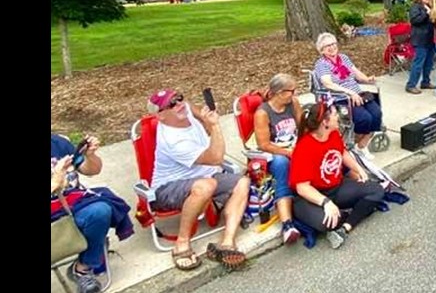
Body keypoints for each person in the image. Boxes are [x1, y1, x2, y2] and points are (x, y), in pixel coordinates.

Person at [147, 90, 252, 272]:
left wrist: (203, 115)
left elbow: (190, 106)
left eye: (179, 98)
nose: (179, 104)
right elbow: (216, 158)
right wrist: (214, 126)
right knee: (206, 185)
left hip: (205, 177)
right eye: (171, 104)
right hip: (168, 188)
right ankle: (182, 243)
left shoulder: (184, 110)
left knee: (242, 182)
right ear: (160, 116)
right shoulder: (173, 140)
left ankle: (227, 243)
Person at [287, 100, 389, 249]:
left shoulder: (333, 134)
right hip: (310, 196)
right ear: (325, 122)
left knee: (376, 190)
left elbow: (342, 152)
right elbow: (303, 188)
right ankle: (349, 213)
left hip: (336, 187)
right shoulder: (304, 148)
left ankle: (345, 227)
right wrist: (325, 203)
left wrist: (359, 170)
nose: (338, 117)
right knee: (325, 223)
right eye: (335, 114)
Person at [50, 132, 137, 293]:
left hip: (71, 204)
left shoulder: (57, 142)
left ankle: (83, 268)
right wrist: (55, 181)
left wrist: (90, 156)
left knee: (100, 210)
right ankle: (95, 246)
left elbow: (93, 170)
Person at [312, 32, 384, 149]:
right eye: (327, 46)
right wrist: (349, 93)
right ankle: (357, 143)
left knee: (376, 113)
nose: (332, 47)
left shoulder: (344, 58)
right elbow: (327, 83)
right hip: (341, 98)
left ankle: (364, 141)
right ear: (321, 50)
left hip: (358, 94)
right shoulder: (321, 64)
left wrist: (367, 79)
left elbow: (356, 73)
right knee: (364, 118)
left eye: (333, 44)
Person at [250, 74, 302, 226]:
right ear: (279, 93)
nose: (294, 94)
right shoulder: (262, 113)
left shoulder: (294, 103)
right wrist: (288, 152)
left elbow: (302, 126)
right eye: (291, 91)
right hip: (275, 150)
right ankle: (286, 221)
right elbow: (264, 144)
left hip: (293, 144)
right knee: (281, 163)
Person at [405, 0, 436, 94]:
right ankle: (411, 84)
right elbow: (415, 20)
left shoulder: (429, 6)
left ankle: (425, 81)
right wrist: (426, 13)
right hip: (420, 39)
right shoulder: (415, 7)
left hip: (430, 38)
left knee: (429, 62)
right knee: (418, 62)